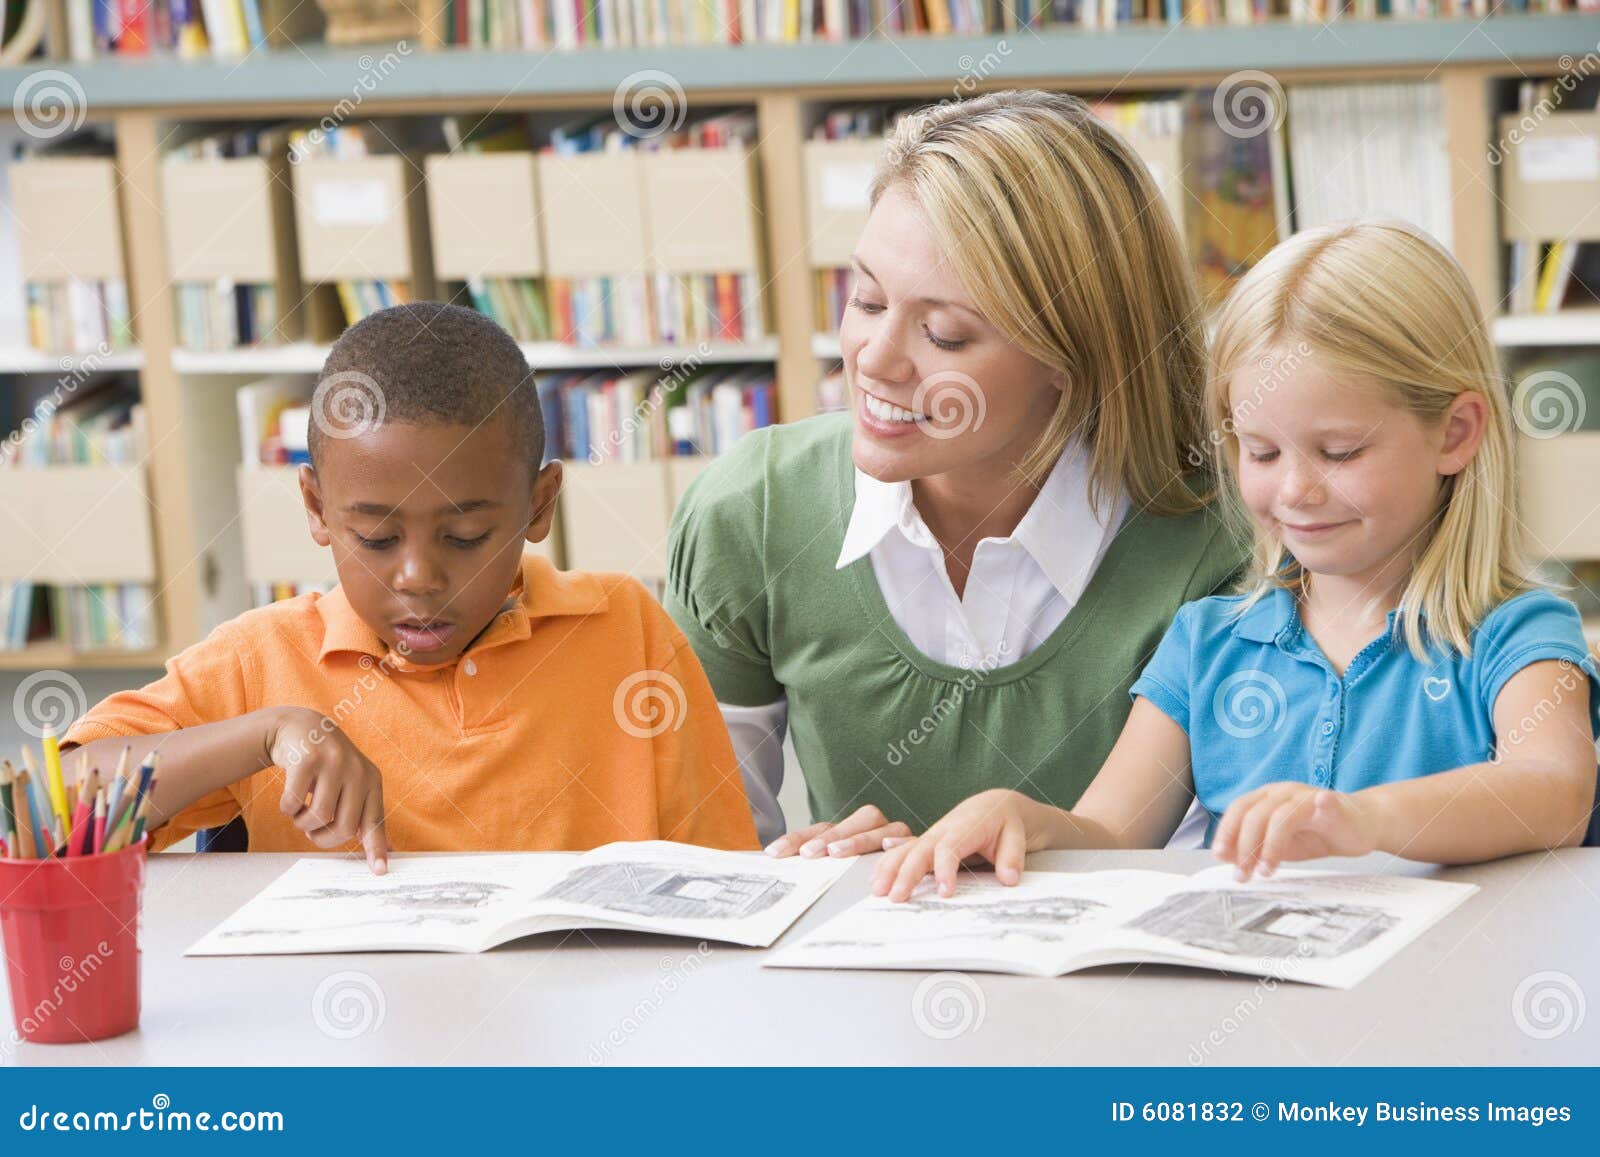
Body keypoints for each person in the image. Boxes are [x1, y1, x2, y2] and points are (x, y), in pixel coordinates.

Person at [873, 219, 1600, 900]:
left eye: (1340, 451)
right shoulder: (1207, 641)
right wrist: (1023, 817)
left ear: (1456, 433)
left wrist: (1365, 821)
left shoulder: (1516, 632)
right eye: (1261, 451)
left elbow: (1554, 789)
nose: (1295, 490)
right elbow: (1113, 833)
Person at [666, 90, 1241, 855]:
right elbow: (710, 861)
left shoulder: (1221, 543)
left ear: (1069, 363)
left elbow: (1211, 882)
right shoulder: (753, 513)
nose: (872, 357)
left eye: (943, 332)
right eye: (865, 297)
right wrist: (803, 875)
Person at [63, 303, 759, 871]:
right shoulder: (261, 662)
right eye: (376, 539)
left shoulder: (626, 630)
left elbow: (721, 879)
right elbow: (55, 813)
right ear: (316, 509)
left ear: (540, 505)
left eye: (464, 538)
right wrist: (268, 733)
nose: (419, 578)